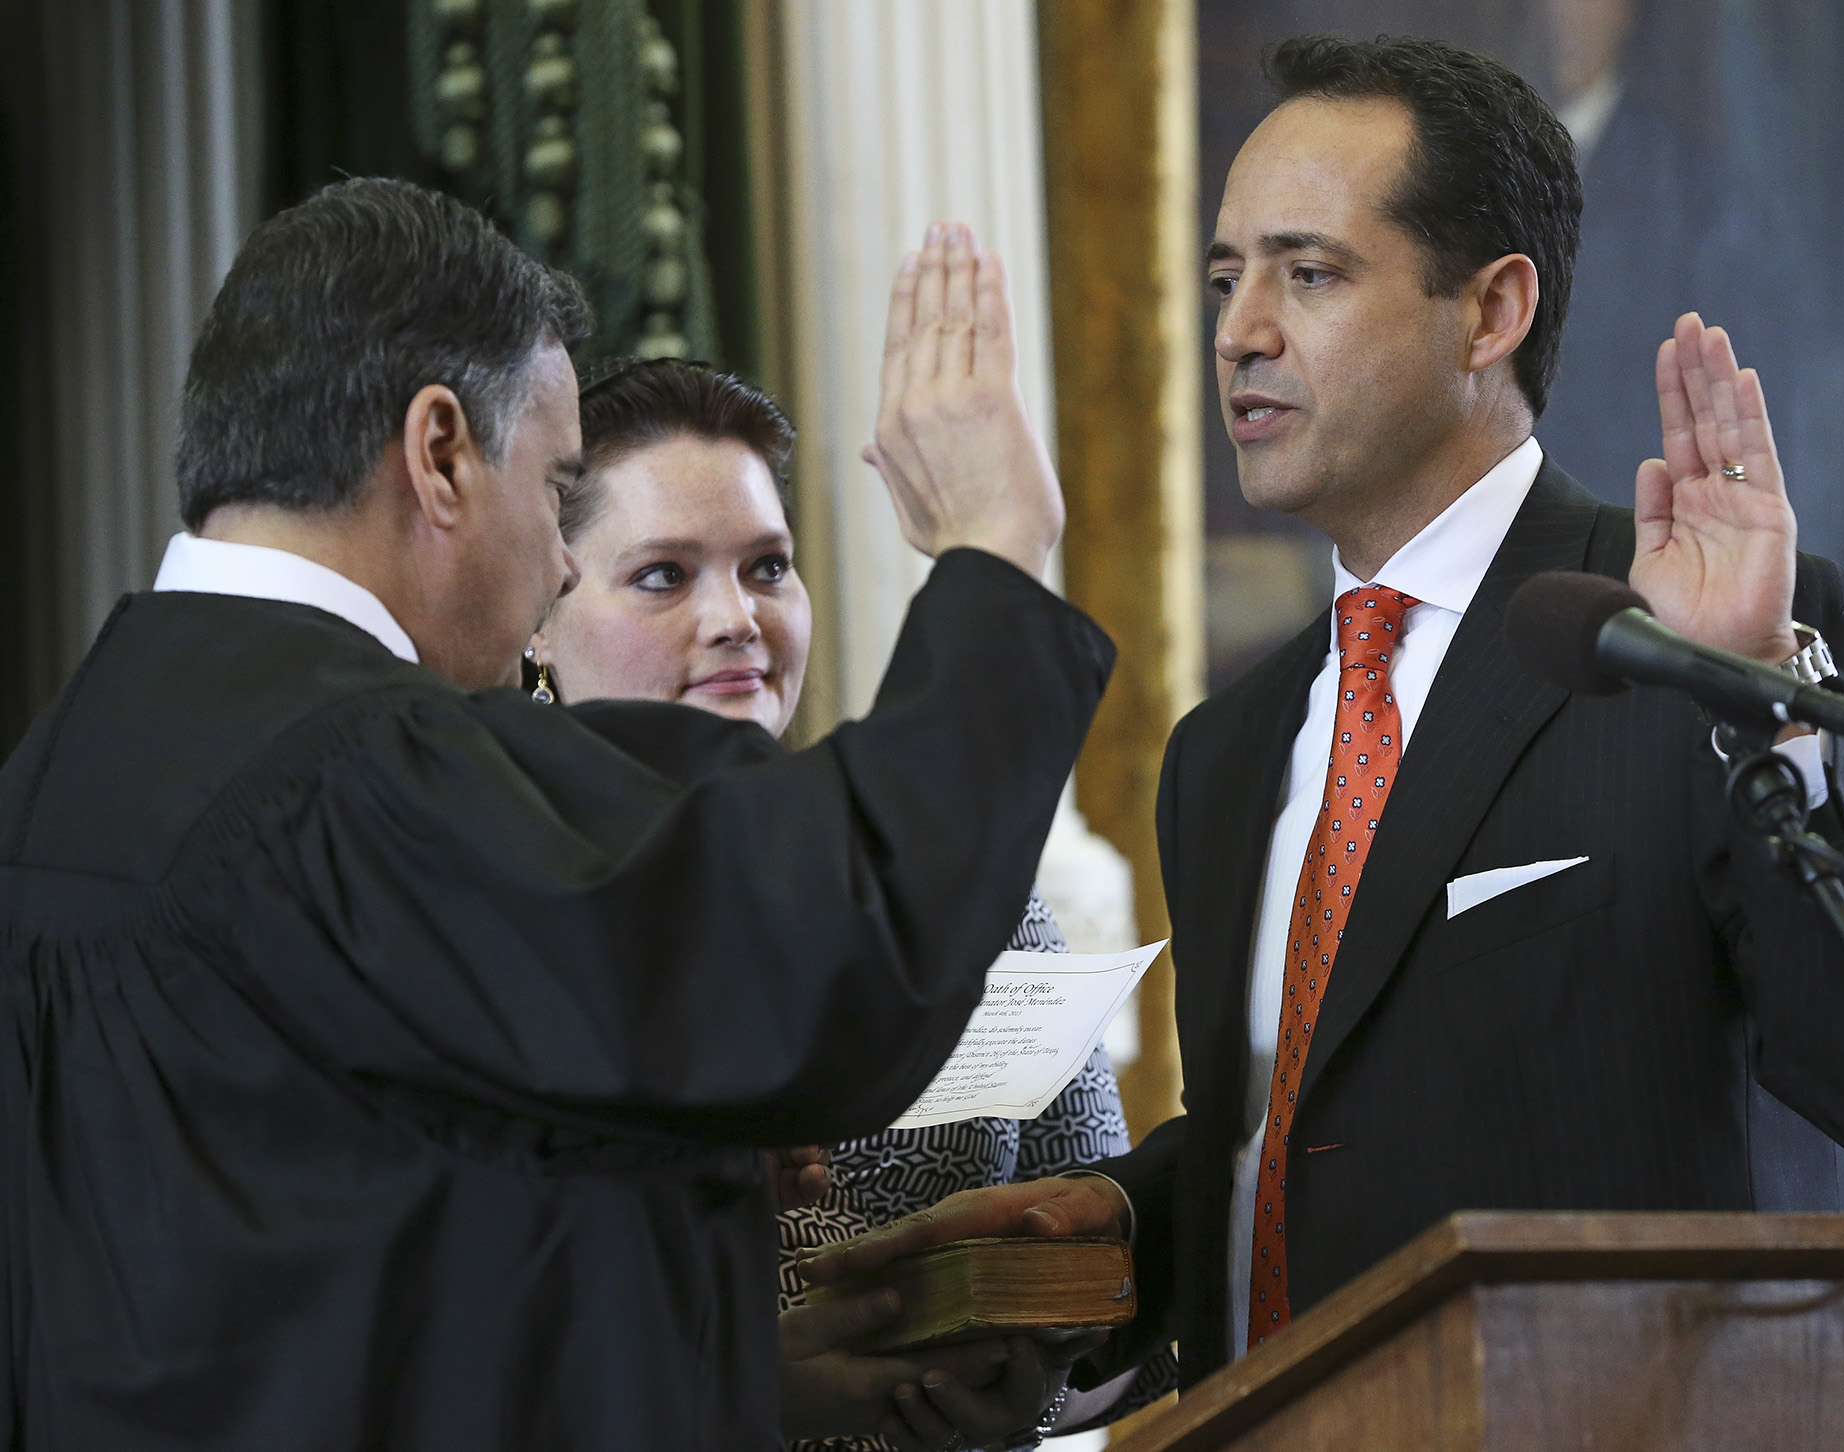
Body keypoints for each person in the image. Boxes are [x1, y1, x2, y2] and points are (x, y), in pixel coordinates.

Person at [800, 33, 1844, 1395]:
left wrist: (1768, 709)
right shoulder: (1226, 753)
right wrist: (1135, 1213)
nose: (1239, 330)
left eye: (1306, 273)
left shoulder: (1697, 652)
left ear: (1488, 313)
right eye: (1224, 275)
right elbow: (1324, 1130)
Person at [0, 181, 1113, 1450]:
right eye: (557, 485)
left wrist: (726, 1344)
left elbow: (342, 1302)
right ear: (439, 454)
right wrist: (994, 551)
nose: (562, 561)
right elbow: (840, 958)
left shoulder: (62, 773)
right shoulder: (354, 771)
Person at [525, 356, 1177, 1449]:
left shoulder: (946, 881)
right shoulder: (488, 898)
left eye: (765, 568)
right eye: (663, 576)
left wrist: (1036, 1377)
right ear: (537, 613)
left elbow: (1118, 1307)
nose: (735, 618)